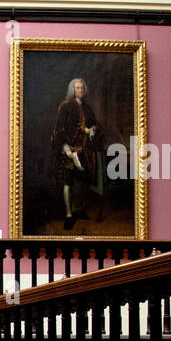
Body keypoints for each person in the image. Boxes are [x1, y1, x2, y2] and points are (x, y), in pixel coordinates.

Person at [50, 77, 100, 230]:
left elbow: (95, 125)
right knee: (68, 183)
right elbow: (59, 129)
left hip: (84, 151)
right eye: (78, 88)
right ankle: (69, 215)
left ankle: (78, 210)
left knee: (83, 183)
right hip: (70, 151)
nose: (81, 90)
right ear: (73, 90)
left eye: (82, 88)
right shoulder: (66, 106)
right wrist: (65, 148)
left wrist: (92, 130)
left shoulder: (87, 107)